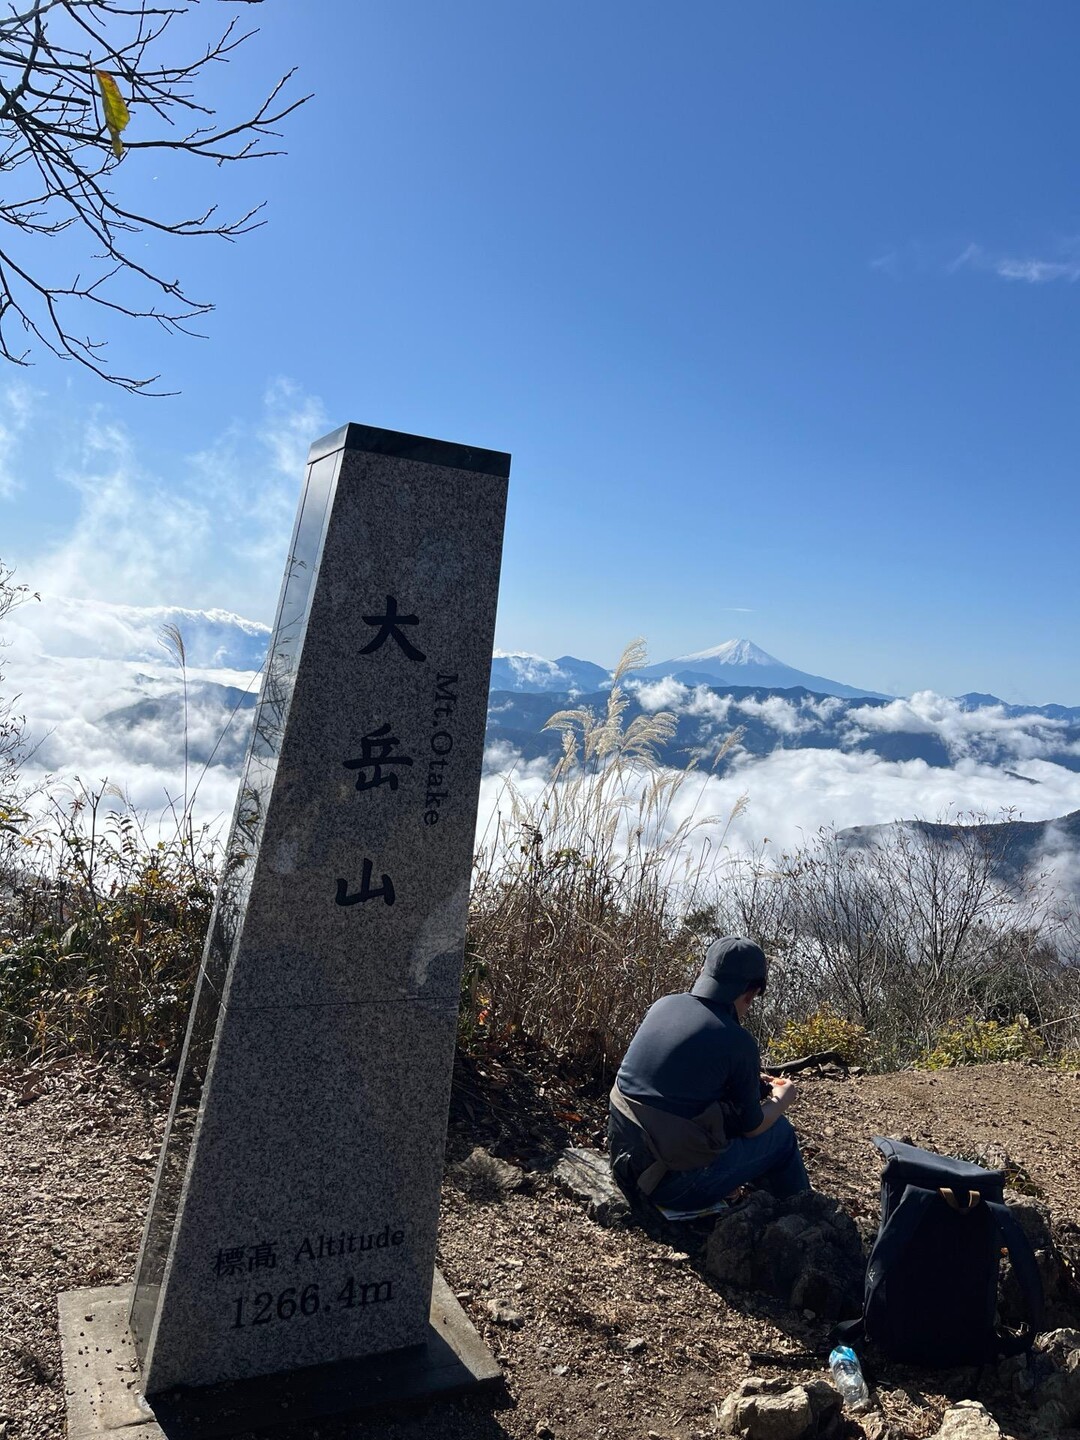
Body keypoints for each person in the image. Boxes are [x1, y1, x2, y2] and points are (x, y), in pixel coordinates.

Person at [609, 935, 809, 1212]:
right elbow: (753, 1128)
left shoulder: (663, 1005)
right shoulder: (737, 1041)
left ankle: (761, 1201)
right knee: (781, 1133)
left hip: (625, 1164)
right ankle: (802, 1213)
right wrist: (782, 1098)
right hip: (672, 1188)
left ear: (704, 972)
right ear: (751, 993)